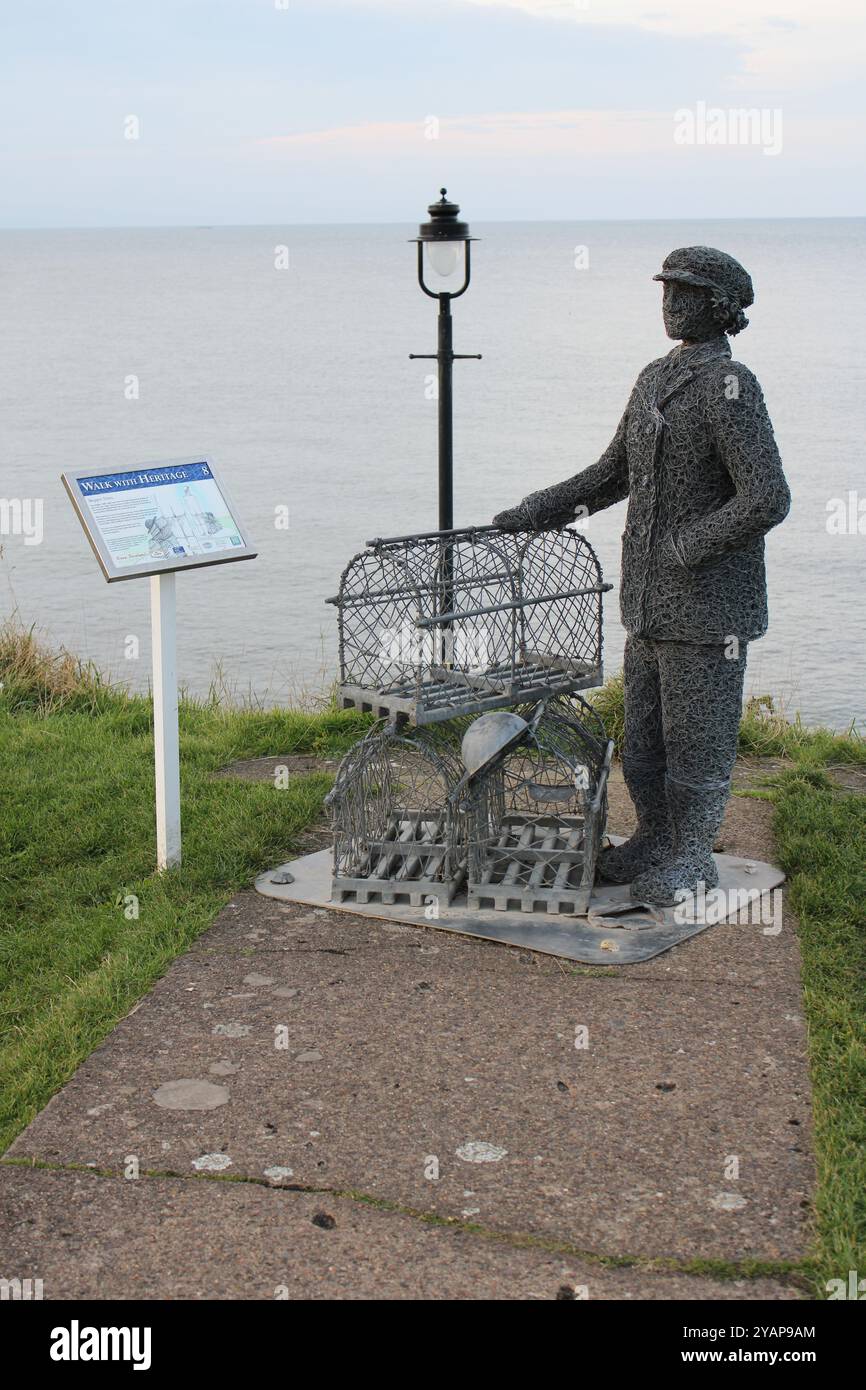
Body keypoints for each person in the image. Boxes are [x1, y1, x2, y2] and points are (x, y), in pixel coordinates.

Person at [493, 247, 790, 905]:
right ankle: (655, 839)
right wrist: (536, 511)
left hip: (710, 609)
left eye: (684, 293)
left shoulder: (730, 387)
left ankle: (691, 857)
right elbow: (611, 475)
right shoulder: (654, 377)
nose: (669, 303)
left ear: (718, 306)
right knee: (646, 743)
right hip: (650, 606)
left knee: (698, 744)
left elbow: (767, 496)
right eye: (666, 291)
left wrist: (689, 546)